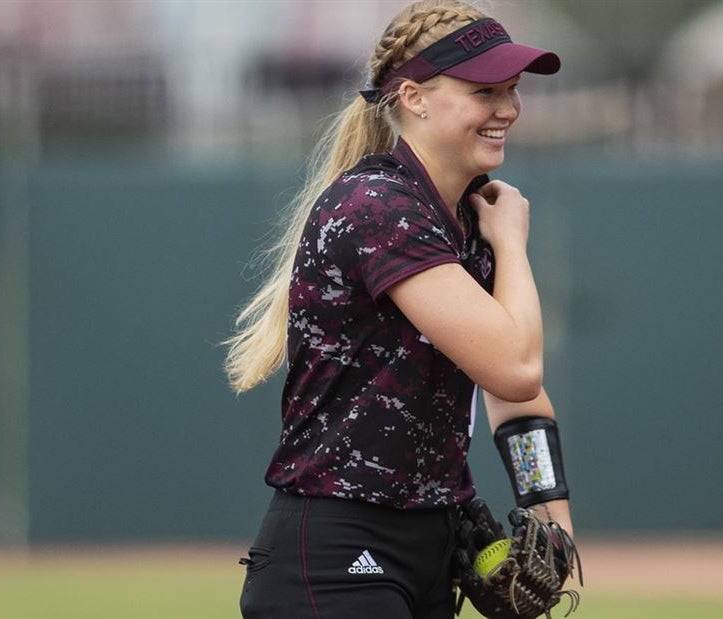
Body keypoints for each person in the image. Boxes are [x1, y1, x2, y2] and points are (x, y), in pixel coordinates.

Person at [226, 1, 575, 617]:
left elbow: (519, 403)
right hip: (338, 553)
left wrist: (555, 528)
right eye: (485, 90)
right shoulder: (378, 206)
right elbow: (516, 368)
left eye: (513, 90)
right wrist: (513, 243)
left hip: (431, 548)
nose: (507, 109)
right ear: (414, 97)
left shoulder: (468, 219)